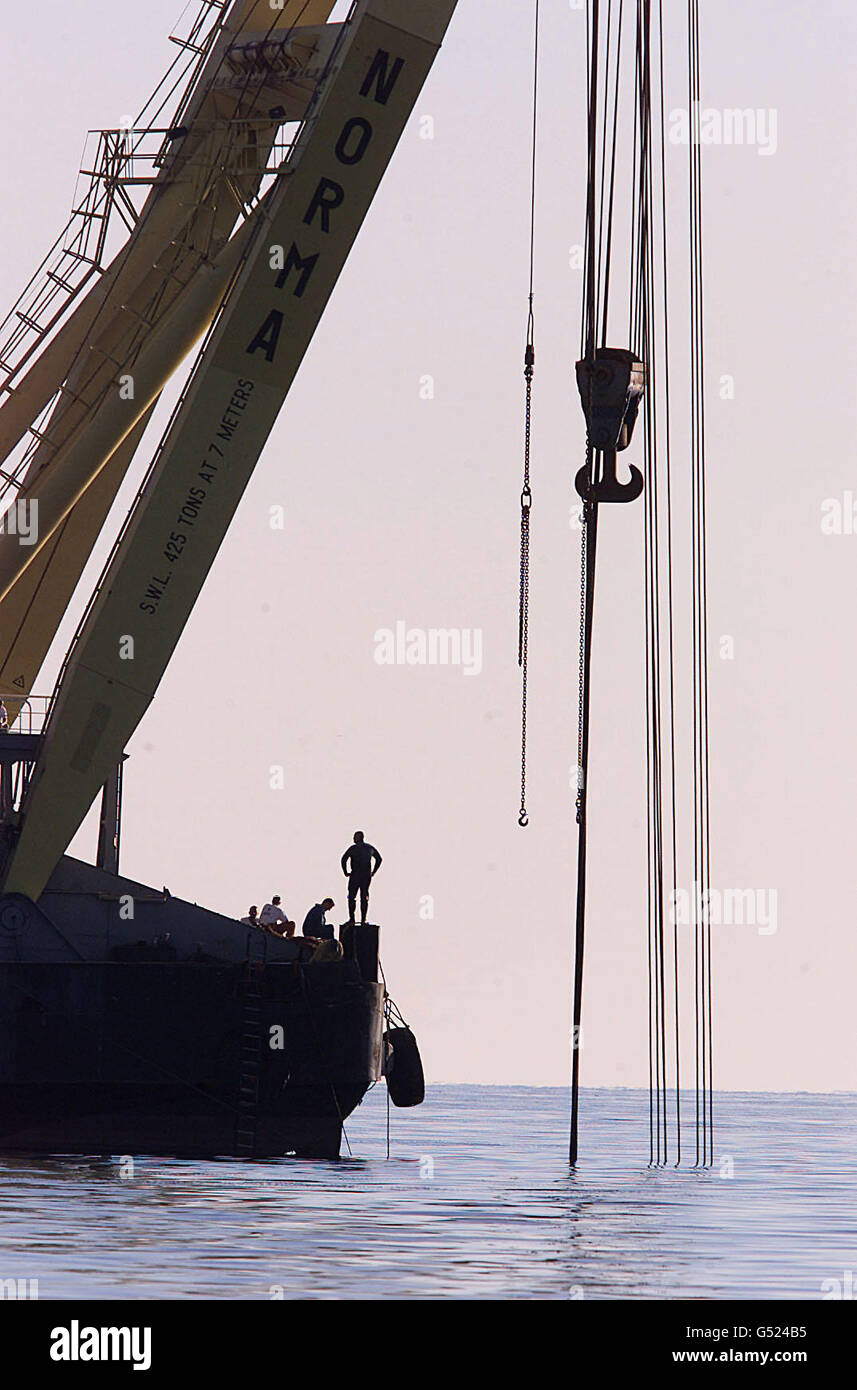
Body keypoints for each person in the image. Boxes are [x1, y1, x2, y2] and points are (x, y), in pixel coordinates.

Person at [340, 831, 382, 926]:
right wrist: (373, 872)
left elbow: (344, 859)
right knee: (364, 897)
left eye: (355, 837)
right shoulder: (369, 848)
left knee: (351, 897)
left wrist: (345, 872)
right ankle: (363, 919)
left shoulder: (354, 848)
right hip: (366, 876)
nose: (353, 839)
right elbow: (379, 859)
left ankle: (352, 919)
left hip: (355, 875)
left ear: (359, 837)